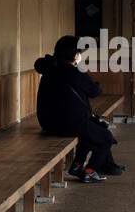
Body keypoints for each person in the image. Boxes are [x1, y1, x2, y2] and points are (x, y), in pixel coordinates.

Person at [34, 35, 125, 182]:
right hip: (68, 123)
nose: (80, 55)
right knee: (105, 137)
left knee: (94, 129)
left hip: (48, 122)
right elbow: (95, 92)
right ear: (74, 54)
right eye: (79, 52)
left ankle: (78, 166)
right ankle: (90, 170)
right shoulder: (71, 71)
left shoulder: (50, 69)